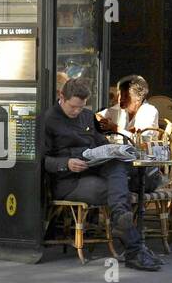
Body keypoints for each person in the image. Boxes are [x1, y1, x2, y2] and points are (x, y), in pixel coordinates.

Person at [41, 78, 161, 271]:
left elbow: (102, 143)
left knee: (116, 165)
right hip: (69, 181)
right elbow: (41, 159)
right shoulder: (48, 119)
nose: (76, 111)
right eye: (73, 107)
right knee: (118, 191)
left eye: (81, 107)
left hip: (93, 169)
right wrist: (66, 163)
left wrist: (112, 150)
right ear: (61, 97)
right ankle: (135, 246)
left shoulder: (88, 116)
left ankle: (131, 243)